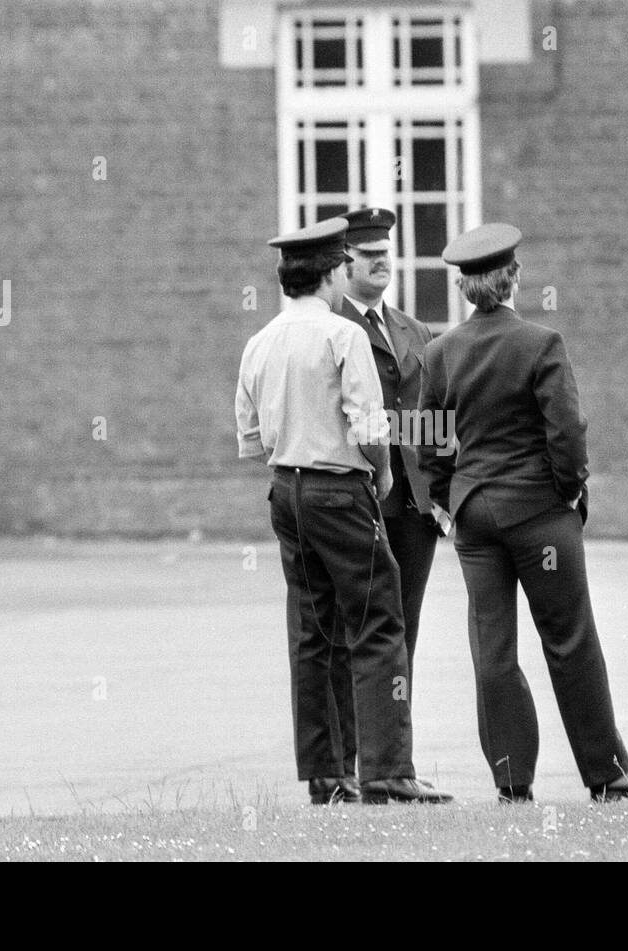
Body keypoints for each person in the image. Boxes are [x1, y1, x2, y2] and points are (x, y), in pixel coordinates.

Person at [416, 222, 628, 804]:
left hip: (475, 515)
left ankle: (512, 781)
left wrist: (448, 498)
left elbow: (427, 440)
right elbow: (567, 431)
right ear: (515, 277)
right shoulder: (541, 343)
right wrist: (570, 489)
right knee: (569, 638)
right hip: (539, 513)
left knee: (493, 649)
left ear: (463, 287)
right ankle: (607, 774)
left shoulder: (439, 352)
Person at [235, 217, 451, 806]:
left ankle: (326, 773)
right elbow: (370, 425)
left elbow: (250, 439)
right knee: (380, 624)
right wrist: (380, 472)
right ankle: (387, 770)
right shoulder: (342, 335)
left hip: (287, 490)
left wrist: (292, 457)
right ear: (333, 273)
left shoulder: (260, 342)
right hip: (342, 489)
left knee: (312, 632)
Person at [327, 207, 442, 783]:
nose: (382, 263)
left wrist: (441, 490)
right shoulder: (331, 327)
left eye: (386, 253)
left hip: (414, 507)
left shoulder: (413, 330)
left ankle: (395, 763)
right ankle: (348, 764)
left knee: (404, 635)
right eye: (369, 255)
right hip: (361, 499)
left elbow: (431, 414)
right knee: (355, 637)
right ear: (345, 263)